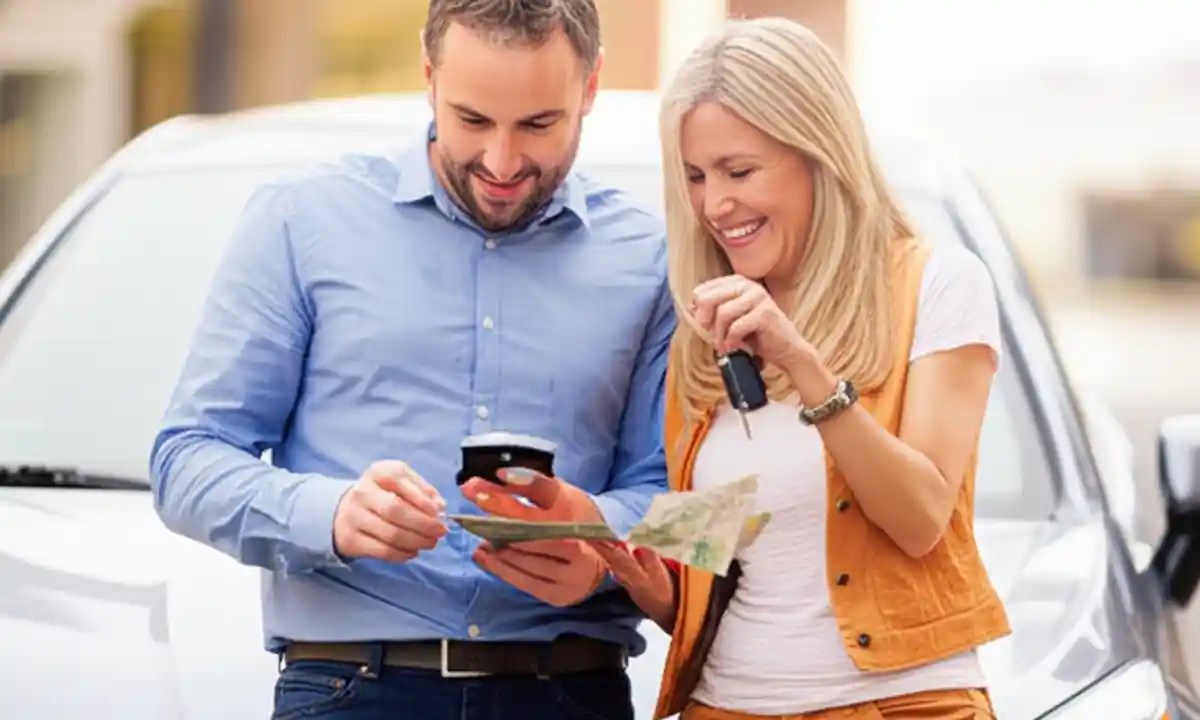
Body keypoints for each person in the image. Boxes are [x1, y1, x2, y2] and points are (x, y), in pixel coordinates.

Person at [149, 1, 673, 718]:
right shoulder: (300, 221)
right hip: (348, 688)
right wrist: (327, 513)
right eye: (473, 120)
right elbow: (187, 458)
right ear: (428, 76)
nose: (502, 161)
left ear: (591, 86)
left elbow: (677, 494)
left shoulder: (651, 257)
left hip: (568, 691)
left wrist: (600, 548)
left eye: (539, 125)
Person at [591, 17, 1011, 720]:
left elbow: (920, 517)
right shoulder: (704, 323)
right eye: (695, 176)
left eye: (739, 171)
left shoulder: (937, 286)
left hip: (894, 704)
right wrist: (649, 579)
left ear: (820, 152)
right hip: (725, 705)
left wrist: (803, 365)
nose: (714, 205)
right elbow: (724, 552)